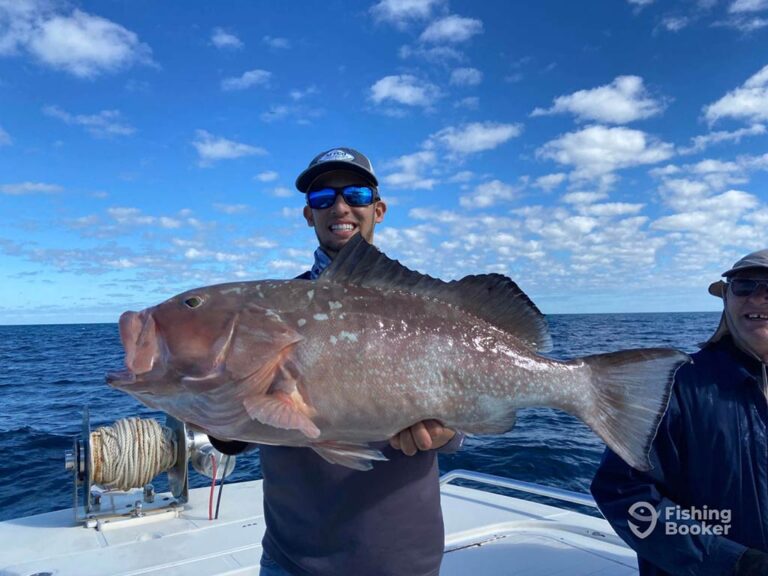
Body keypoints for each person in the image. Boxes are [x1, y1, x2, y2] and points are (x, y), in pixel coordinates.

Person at [211, 147, 463, 576]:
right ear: (308, 215)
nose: (340, 207)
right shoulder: (268, 314)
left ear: (378, 209)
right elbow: (237, 436)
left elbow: (465, 412)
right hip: (289, 559)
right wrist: (211, 408)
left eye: (356, 194)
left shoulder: (426, 309)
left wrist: (450, 430)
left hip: (400, 560)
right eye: (322, 198)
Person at [590, 249, 768, 576]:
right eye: (744, 286)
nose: (758, 297)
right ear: (727, 298)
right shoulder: (671, 385)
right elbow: (625, 494)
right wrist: (731, 562)